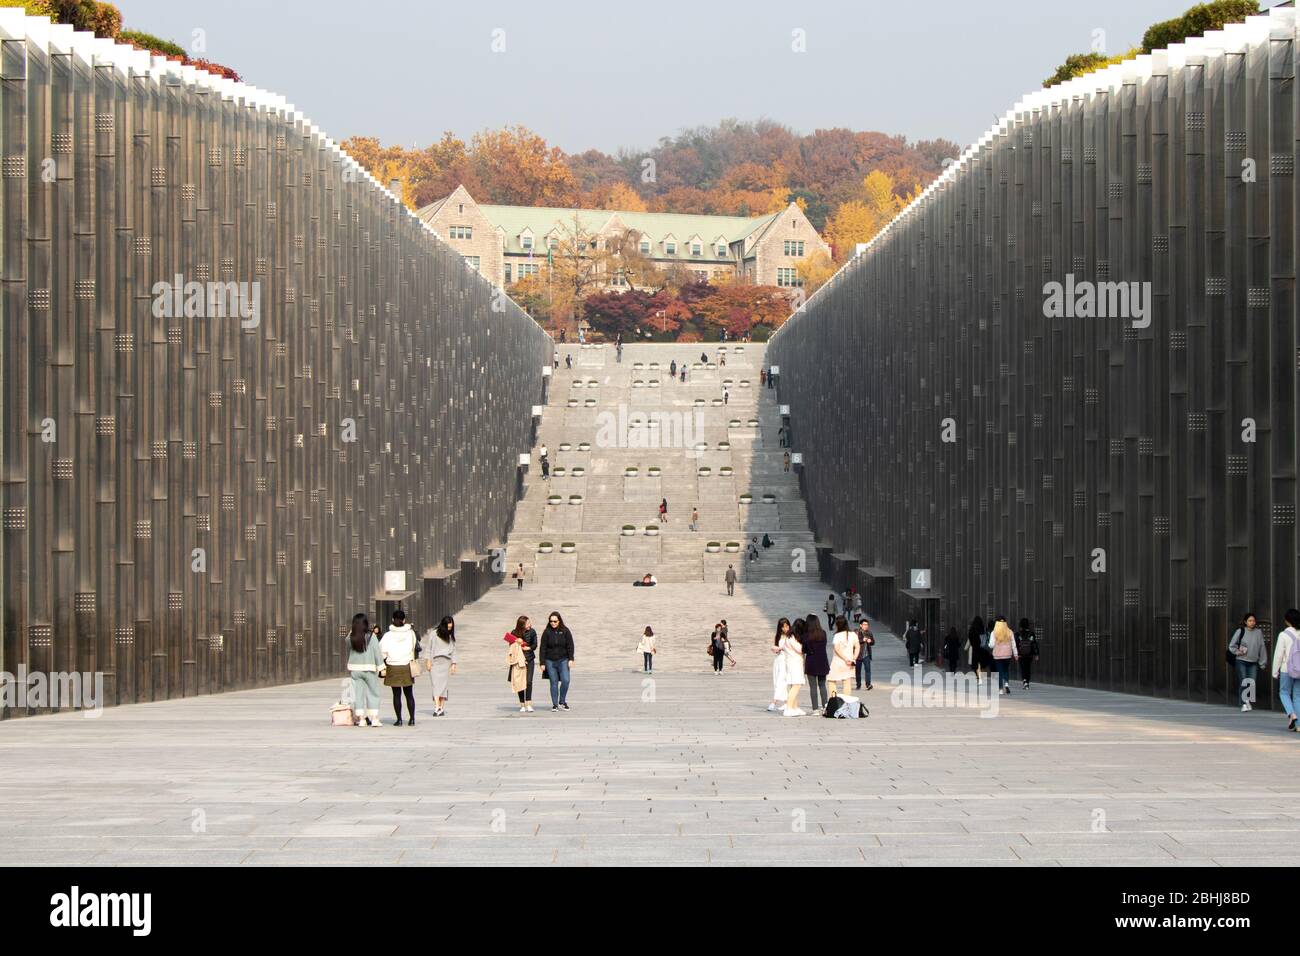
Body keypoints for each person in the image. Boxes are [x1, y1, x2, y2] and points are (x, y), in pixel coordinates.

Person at [379, 609, 418, 726]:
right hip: (407, 666)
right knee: (409, 694)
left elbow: (382, 651)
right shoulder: (410, 633)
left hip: (393, 666)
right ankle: (412, 719)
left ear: (392, 619)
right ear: (404, 620)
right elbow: (414, 646)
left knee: (396, 695)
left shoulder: (387, 635)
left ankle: (399, 719)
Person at [346, 613, 383, 727]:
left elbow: (348, 644)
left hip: (355, 670)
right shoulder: (372, 636)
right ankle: (375, 719)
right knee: (373, 692)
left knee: (358, 694)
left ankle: (361, 719)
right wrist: (381, 667)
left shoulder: (351, 636)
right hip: (369, 668)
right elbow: (377, 652)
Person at [1228, 612, 1269, 711]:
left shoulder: (1258, 632)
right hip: (1241, 660)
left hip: (1253, 662)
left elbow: (1262, 647)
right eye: (1250, 621)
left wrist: (1263, 662)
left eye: (1254, 621)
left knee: (1251, 682)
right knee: (1244, 681)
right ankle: (1244, 703)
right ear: (1245, 622)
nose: (1252, 622)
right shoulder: (1240, 631)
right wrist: (1237, 652)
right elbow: (1231, 645)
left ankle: (1247, 701)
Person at [1271, 609, 1300, 731]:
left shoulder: (1283, 635)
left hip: (1286, 669)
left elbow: (1278, 654)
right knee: (1298, 696)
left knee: (1284, 693)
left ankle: (1292, 714)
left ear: (1287, 621)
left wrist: (1274, 671)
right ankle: (1298, 725)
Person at [540, 611, 575, 712]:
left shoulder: (565, 631)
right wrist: (542, 663)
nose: (553, 623)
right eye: (551, 621)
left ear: (559, 621)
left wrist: (571, 659)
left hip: (563, 659)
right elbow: (543, 648)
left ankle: (562, 701)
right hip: (550, 661)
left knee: (566, 680)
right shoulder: (546, 632)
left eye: (555, 621)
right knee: (554, 683)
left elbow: (570, 646)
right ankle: (555, 704)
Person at [425, 616, 457, 717]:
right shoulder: (434, 634)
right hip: (435, 662)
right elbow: (428, 648)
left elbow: (454, 650)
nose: (449, 629)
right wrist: (428, 661)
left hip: (446, 662)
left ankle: (441, 707)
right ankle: (437, 706)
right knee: (435, 685)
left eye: (451, 627)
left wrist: (453, 664)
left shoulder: (450, 636)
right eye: (448, 627)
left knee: (443, 686)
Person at [504, 615, 538, 712]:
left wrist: (529, 648)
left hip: (529, 659)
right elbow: (510, 646)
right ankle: (522, 704)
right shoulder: (514, 633)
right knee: (520, 682)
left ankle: (529, 703)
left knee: (529, 681)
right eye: (527, 623)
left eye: (529, 623)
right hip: (518, 660)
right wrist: (516, 642)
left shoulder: (532, 631)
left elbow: (535, 644)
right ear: (521, 625)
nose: (529, 625)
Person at [801, 616, 830, 712]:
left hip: (811, 662)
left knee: (813, 686)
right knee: (822, 685)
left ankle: (815, 709)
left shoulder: (806, 635)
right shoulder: (823, 633)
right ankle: (825, 706)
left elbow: (804, 650)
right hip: (822, 661)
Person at [828, 616, 859, 701]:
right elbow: (857, 647)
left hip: (838, 661)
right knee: (847, 682)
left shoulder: (837, 635)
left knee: (831, 680)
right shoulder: (853, 634)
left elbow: (837, 649)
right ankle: (847, 702)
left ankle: (834, 701)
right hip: (850, 662)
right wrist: (853, 658)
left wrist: (845, 659)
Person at [780, 618, 806, 717]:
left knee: (793, 686)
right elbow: (800, 650)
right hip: (794, 664)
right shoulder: (791, 638)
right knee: (796, 685)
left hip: (793, 663)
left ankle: (794, 707)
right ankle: (789, 708)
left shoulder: (790, 636)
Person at [989, 616, 1018, 694]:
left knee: (999, 671)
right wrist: (1015, 654)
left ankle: (1001, 689)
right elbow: (1013, 644)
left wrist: (991, 645)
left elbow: (991, 645)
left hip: (997, 655)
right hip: (1007, 654)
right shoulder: (1010, 631)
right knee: (1006, 670)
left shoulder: (994, 632)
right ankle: (1006, 683)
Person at [770, 618, 792, 712]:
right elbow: (775, 647)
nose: (785, 628)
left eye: (787, 626)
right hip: (778, 660)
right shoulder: (778, 636)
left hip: (785, 660)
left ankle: (774, 702)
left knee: (781, 681)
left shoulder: (791, 636)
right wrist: (775, 648)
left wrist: (782, 648)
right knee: (777, 680)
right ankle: (787, 702)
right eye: (783, 627)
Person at [1015, 618, 1039, 688]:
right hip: (1029, 654)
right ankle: (1027, 682)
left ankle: (1024, 681)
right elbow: (1034, 644)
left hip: (1021, 654)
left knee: (1023, 668)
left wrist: (1017, 654)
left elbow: (1016, 644)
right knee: (1028, 668)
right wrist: (1036, 654)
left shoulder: (1018, 634)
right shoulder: (1031, 633)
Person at [855, 618, 875, 690]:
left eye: (867, 625)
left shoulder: (869, 633)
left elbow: (873, 642)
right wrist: (862, 640)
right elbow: (854, 642)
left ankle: (868, 684)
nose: (866, 626)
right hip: (858, 655)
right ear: (861, 625)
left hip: (866, 655)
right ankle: (858, 685)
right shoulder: (857, 632)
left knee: (868, 670)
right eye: (864, 624)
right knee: (858, 671)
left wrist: (870, 641)